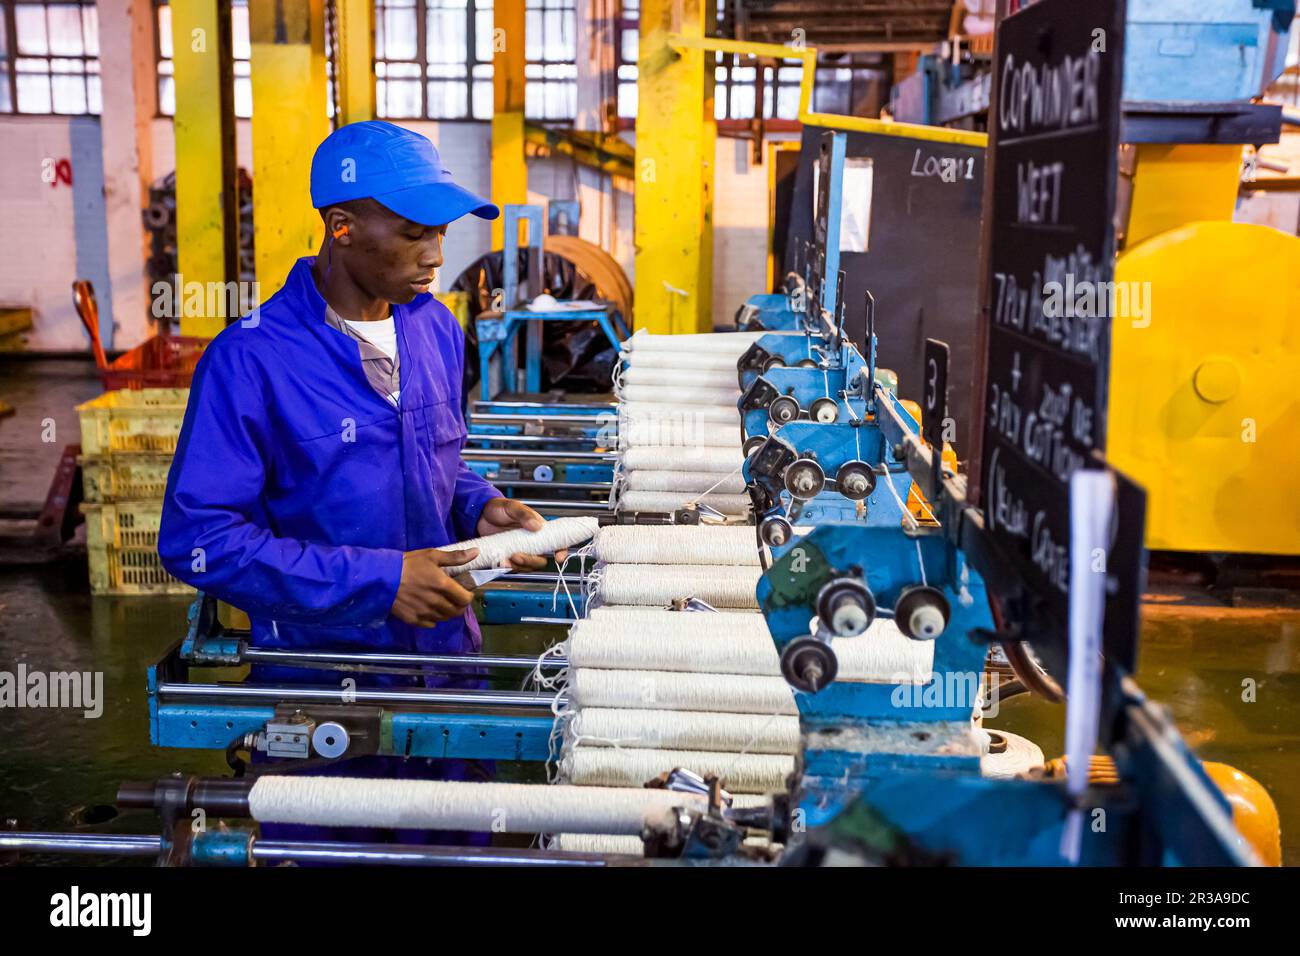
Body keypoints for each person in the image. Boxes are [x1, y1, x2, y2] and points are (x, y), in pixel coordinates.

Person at [159, 120, 556, 845]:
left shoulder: (437, 330)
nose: (436, 254)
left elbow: (437, 465)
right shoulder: (250, 359)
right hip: (323, 691)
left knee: (460, 855)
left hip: (448, 674)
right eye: (412, 233)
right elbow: (199, 539)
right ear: (341, 227)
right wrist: (380, 582)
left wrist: (480, 506)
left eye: (441, 231)